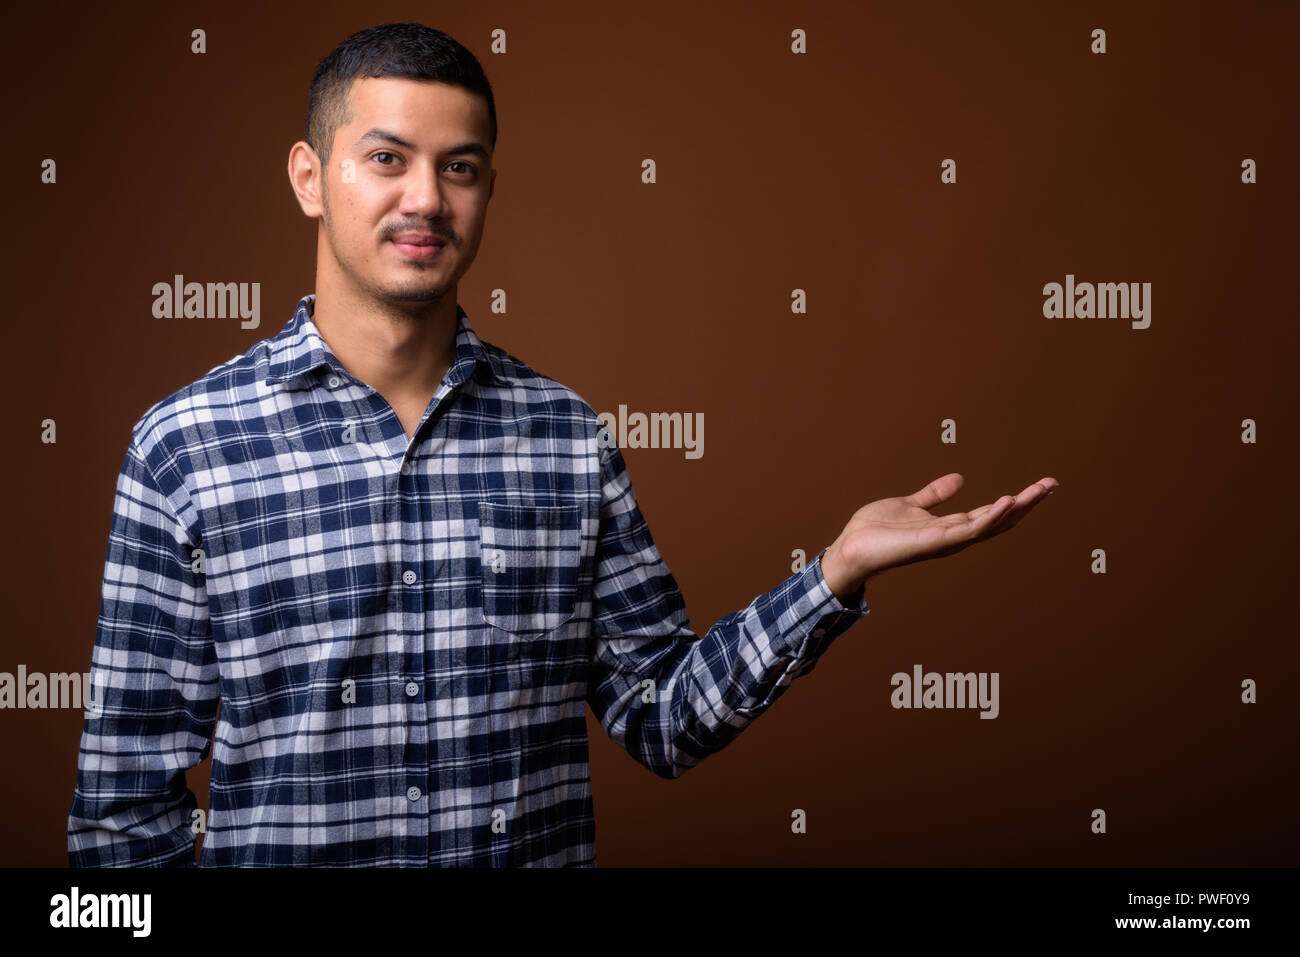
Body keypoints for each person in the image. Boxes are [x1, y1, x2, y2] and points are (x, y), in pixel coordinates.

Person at [67, 22, 1056, 867]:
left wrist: (832, 573)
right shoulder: (186, 447)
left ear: (488, 189)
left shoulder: (566, 439)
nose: (425, 200)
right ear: (309, 177)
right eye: (386, 159)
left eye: (458, 168)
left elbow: (664, 717)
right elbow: (122, 813)